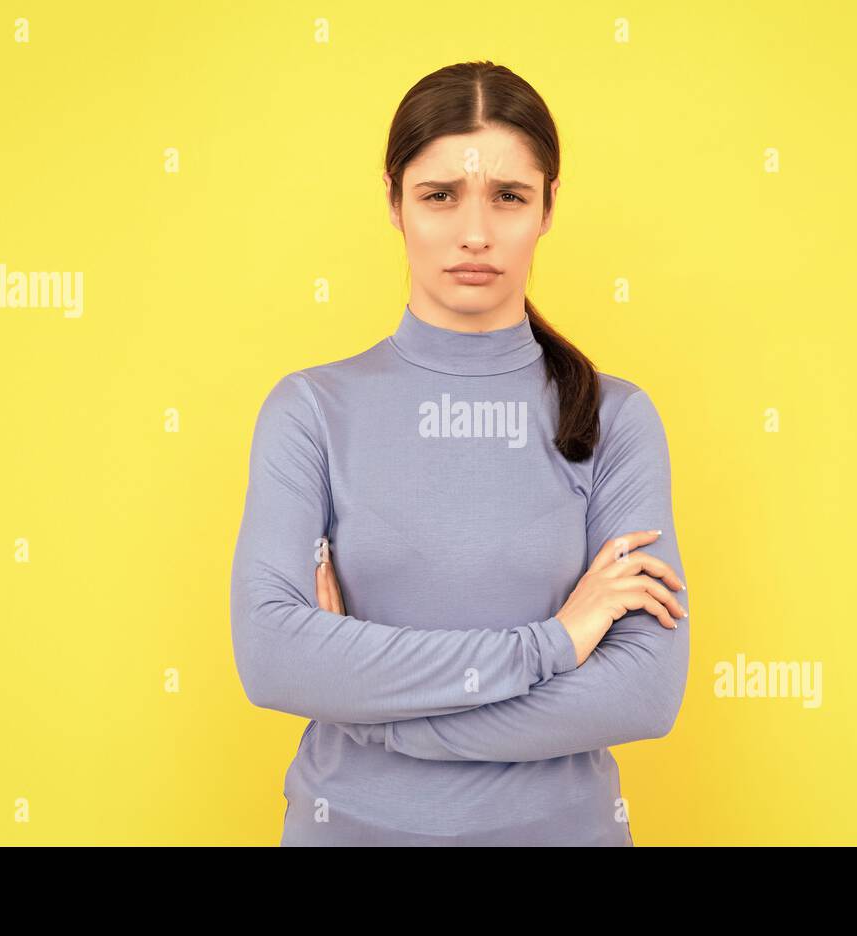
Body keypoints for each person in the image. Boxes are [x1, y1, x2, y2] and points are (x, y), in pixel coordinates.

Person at [230, 60, 690, 846]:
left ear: (548, 207)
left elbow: (643, 693)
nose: (474, 232)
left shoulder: (617, 419)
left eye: (508, 197)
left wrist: (380, 717)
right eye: (440, 196)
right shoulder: (310, 411)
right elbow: (274, 658)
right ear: (393, 202)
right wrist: (556, 643)